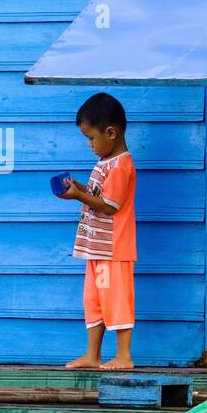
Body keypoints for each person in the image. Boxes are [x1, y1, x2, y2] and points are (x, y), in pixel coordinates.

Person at [61, 92, 137, 370]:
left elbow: (108, 206)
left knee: (115, 299)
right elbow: (97, 194)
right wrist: (80, 188)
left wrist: (78, 197)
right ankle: (93, 354)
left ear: (111, 132)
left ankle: (124, 356)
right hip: (96, 249)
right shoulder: (104, 163)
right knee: (94, 301)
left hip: (113, 249)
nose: (90, 145)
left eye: (92, 138)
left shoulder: (121, 166)